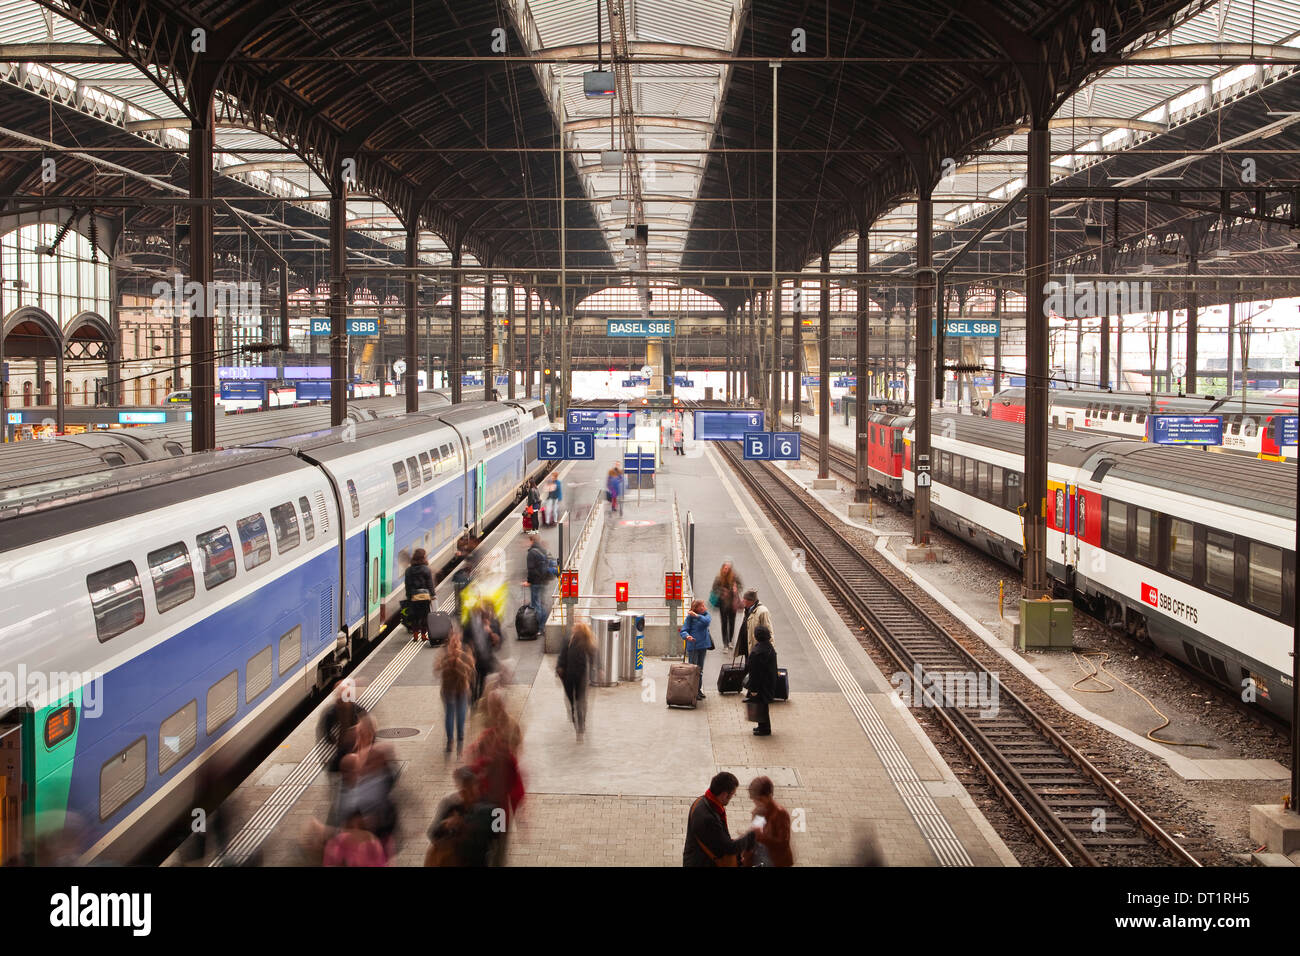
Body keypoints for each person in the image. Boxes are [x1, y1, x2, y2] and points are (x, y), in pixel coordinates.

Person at [466, 690, 525, 865]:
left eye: (496, 705)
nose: (493, 709)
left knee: (498, 842)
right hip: (482, 797)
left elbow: (516, 754)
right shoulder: (485, 725)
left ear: (502, 706)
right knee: (482, 843)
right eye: (491, 706)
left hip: (499, 802)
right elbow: (473, 755)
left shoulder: (511, 726)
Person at [336, 715, 399, 853]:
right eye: (360, 732)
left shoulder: (380, 757)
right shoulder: (349, 755)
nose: (363, 736)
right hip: (353, 833)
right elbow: (343, 793)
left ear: (372, 734)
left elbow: (386, 799)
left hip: (374, 836)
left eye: (367, 733)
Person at [682, 772, 757, 867]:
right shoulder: (709, 819)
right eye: (732, 795)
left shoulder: (700, 801)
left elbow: (719, 840)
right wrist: (751, 835)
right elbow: (729, 848)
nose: (731, 798)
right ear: (725, 794)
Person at [425, 766, 494, 867]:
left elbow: (494, 837)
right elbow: (432, 833)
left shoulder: (487, 807)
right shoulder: (450, 803)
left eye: (473, 787)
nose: (468, 794)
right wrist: (445, 825)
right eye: (465, 790)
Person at [435, 629, 476, 756]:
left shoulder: (465, 652)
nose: (455, 643)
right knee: (450, 714)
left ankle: (460, 740)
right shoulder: (444, 652)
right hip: (448, 690)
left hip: (462, 689)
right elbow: (437, 669)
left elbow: (471, 670)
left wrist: (458, 663)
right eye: (453, 641)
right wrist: (448, 661)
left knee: (461, 717)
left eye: (457, 640)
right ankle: (450, 740)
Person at [556, 621, 595, 739]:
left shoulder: (586, 642)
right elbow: (562, 656)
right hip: (568, 676)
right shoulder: (568, 640)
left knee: (580, 701)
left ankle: (581, 727)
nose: (573, 628)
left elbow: (593, 655)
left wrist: (597, 669)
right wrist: (559, 668)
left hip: (581, 676)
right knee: (572, 702)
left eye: (576, 628)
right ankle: (575, 718)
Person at [748, 775, 793, 866]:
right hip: (762, 858)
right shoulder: (759, 811)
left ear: (769, 796)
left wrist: (761, 837)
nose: (756, 802)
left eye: (759, 799)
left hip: (776, 861)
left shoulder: (780, 814)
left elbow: (783, 843)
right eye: (755, 799)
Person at [743, 625, 778, 737]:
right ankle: (762, 726)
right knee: (764, 705)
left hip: (759, 684)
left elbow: (754, 672)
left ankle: (765, 729)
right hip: (769, 681)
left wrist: (753, 689)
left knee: (761, 705)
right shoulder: (770, 648)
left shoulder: (756, 652)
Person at [467, 600, 500, 706]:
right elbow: (465, 638)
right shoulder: (470, 623)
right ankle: (473, 701)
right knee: (472, 683)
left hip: (485, 660)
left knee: (482, 682)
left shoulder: (494, 623)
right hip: (473, 659)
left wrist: (490, 632)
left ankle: (478, 702)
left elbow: (498, 641)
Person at [680, 599, 713, 701]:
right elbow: (683, 630)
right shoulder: (689, 618)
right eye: (701, 606)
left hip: (702, 646)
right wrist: (687, 636)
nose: (704, 607)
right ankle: (692, 691)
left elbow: (707, 622)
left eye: (704, 605)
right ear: (696, 608)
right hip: (693, 646)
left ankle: (698, 690)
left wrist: (697, 616)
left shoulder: (706, 615)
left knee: (700, 670)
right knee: (693, 670)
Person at [710, 562, 743, 650]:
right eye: (725, 568)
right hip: (723, 604)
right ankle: (725, 643)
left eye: (728, 568)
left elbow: (740, 586)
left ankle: (730, 641)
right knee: (724, 624)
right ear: (722, 569)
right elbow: (714, 588)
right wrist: (722, 591)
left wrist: (736, 589)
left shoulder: (734, 577)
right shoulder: (719, 578)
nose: (726, 570)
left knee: (732, 623)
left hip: (732, 603)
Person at [524, 531, 555, 627]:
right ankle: (543, 625)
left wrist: (529, 582)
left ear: (532, 540)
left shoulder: (531, 553)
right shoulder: (543, 550)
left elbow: (531, 569)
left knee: (536, 605)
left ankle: (539, 627)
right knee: (541, 604)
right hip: (543, 581)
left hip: (535, 583)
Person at [404, 548, 435, 642]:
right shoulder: (426, 569)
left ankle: (415, 635)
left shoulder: (408, 571)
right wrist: (432, 595)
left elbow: (407, 585)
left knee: (415, 617)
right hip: (425, 597)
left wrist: (409, 596)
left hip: (414, 597)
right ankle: (423, 635)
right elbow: (430, 584)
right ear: (423, 557)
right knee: (425, 616)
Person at [736, 589, 772, 660]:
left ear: (750, 601)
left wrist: (769, 651)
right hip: (748, 648)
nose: (742, 601)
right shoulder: (746, 609)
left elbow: (769, 631)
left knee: (756, 669)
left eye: (744, 599)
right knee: (749, 667)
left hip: (758, 651)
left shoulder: (763, 612)